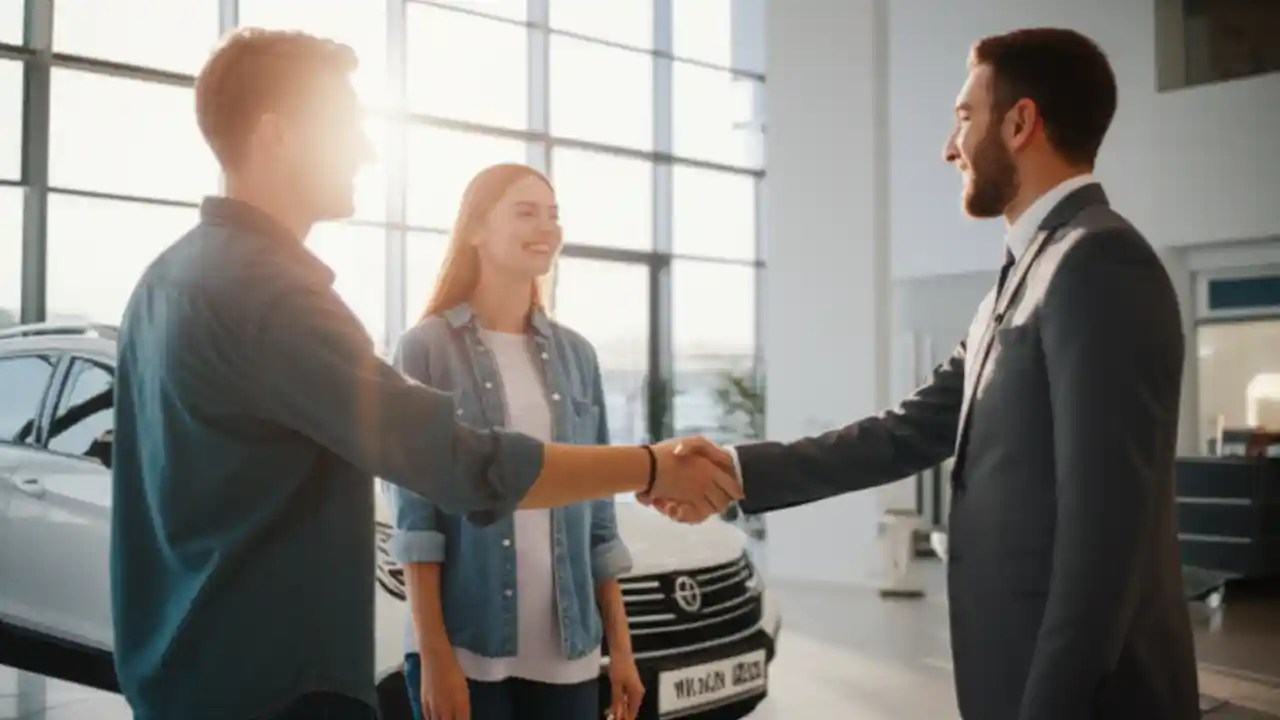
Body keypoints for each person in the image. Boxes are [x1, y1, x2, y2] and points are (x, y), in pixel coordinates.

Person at [110, 29, 738, 720]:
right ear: (277, 136)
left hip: (188, 681)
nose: (366, 148)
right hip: (275, 688)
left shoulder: (166, 281)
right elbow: (459, 464)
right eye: (345, 126)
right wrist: (649, 467)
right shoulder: (272, 298)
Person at [658, 27, 1199, 720]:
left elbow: (1106, 544)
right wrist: (735, 470)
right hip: (1017, 671)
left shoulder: (1097, 264)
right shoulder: (1027, 274)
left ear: (1021, 122)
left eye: (964, 118)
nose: (950, 147)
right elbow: (906, 432)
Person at [386, 163, 644, 720]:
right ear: (475, 230)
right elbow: (416, 523)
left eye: (553, 214)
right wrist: (432, 653)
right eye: (525, 212)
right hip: (463, 649)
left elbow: (599, 516)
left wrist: (620, 650)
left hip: (568, 654)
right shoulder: (424, 349)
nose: (547, 227)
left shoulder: (578, 356)